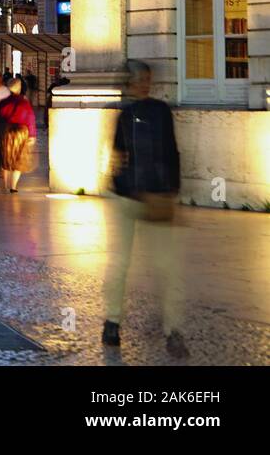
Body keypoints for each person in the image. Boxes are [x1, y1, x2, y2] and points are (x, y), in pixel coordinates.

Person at [103, 60, 186, 358]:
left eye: (146, 79)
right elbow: (116, 155)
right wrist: (123, 184)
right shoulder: (124, 115)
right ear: (128, 83)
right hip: (128, 196)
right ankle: (112, 321)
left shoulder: (161, 112)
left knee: (166, 265)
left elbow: (173, 151)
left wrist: (172, 188)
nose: (143, 83)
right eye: (137, 79)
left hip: (157, 195)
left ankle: (172, 327)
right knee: (120, 262)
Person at [0, 76, 37, 192]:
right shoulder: (24, 103)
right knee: (18, 160)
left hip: (5, 132)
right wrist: (32, 135)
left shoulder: (3, 103)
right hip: (21, 134)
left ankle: (6, 185)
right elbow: (30, 119)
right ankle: (13, 186)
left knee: (5, 160)